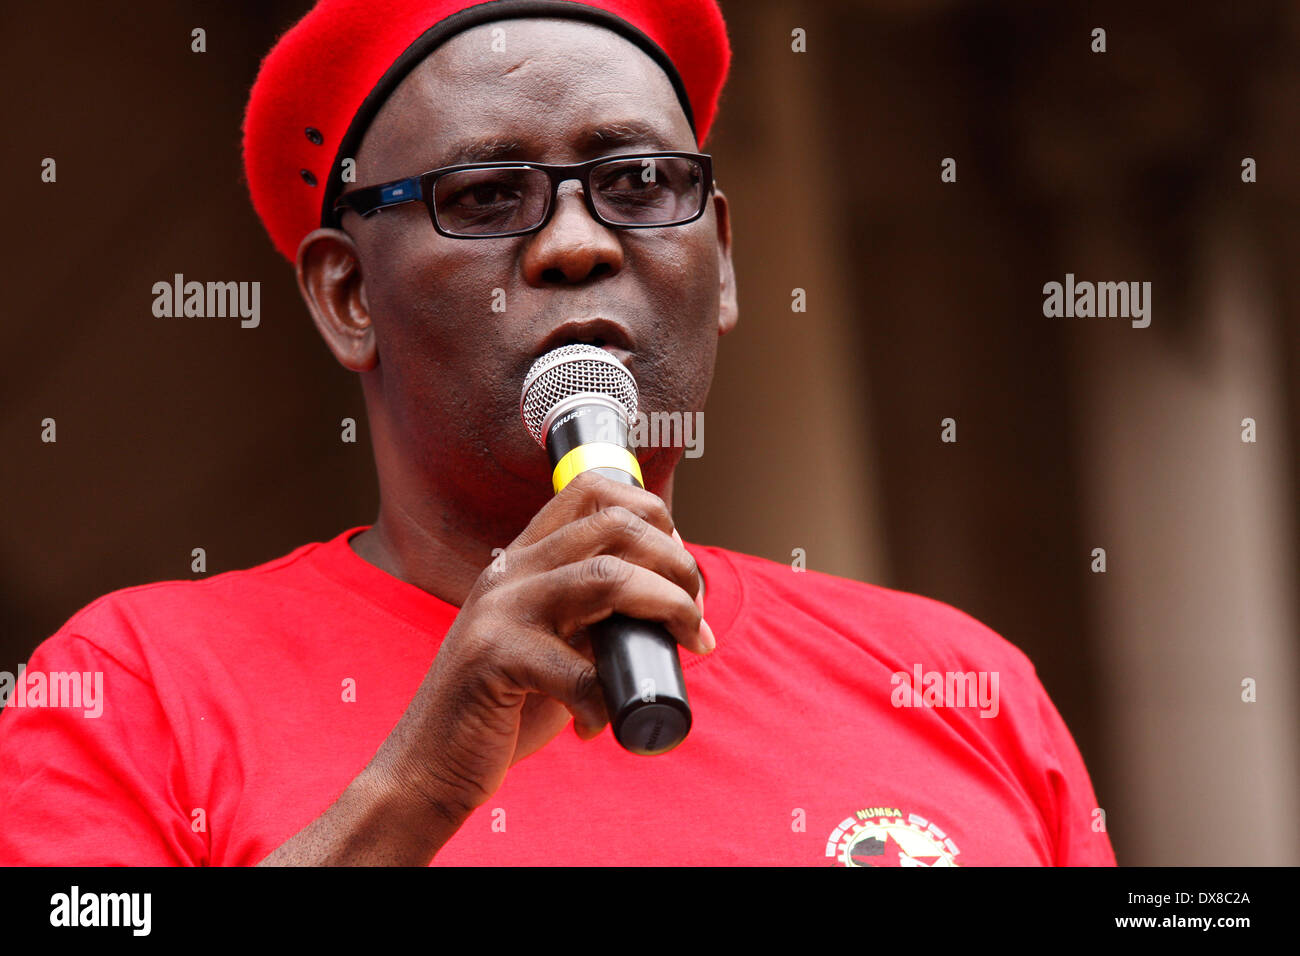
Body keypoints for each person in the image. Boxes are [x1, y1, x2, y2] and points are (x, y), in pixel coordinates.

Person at [0, 0, 1116, 866]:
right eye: (486, 196)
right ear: (346, 296)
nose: (578, 243)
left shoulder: (957, 682)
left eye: (637, 182)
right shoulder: (131, 690)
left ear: (720, 260)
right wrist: (417, 786)